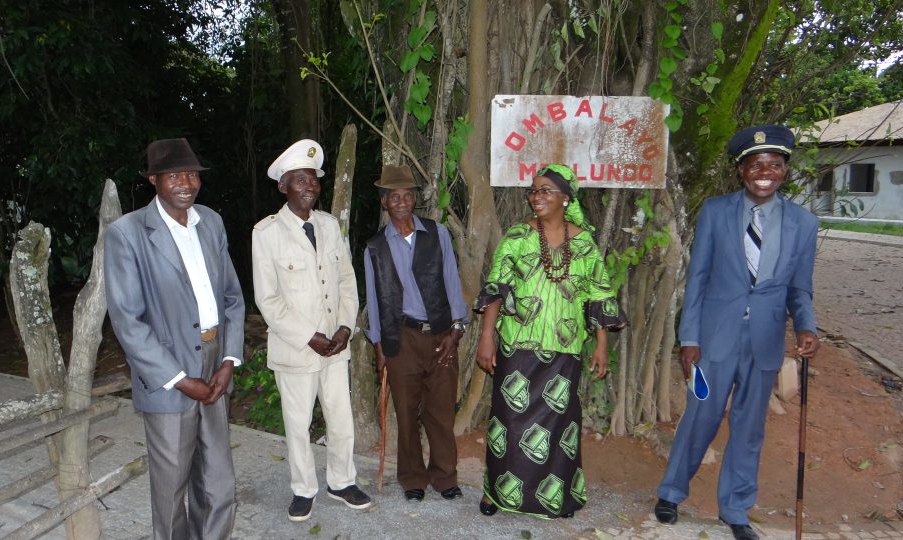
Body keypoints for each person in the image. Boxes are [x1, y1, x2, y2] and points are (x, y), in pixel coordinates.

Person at [653, 125, 820, 540]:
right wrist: (689, 338)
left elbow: (800, 287)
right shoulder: (716, 211)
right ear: (741, 170)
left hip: (764, 343)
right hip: (714, 340)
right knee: (700, 416)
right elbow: (698, 278)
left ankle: (735, 508)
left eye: (774, 165)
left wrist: (806, 326)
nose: (765, 172)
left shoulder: (804, 222)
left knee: (749, 428)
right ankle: (671, 492)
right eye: (755, 164)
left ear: (785, 171)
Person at [104, 138, 244, 539]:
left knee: (218, 481)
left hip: (216, 360)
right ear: (154, 180)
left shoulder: (211, 222)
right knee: (171, 490)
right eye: (174, 174)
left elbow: (233, 298)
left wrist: (230, 360)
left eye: (192, 173)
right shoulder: (127, 234)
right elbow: (128, 322)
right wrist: (182, 380)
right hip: (169, 369)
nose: (186, 181)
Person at [474, 164, 627, 519]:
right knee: (509, 423)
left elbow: (597, 294)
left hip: (566, 349)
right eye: (533, 191)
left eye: (545, 191)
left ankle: (556, 497)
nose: (535, 197)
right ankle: (496, 493)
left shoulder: (584, 241)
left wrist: (601, 344)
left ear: (565, 197)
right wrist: (487, 338)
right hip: (518, 344)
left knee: (558, 428)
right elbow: (497, 289)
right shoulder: (517, 236)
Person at [251, 139, 372, 522]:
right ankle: (303, 488)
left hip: (335, 347)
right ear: (283, 185)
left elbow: (347, 280)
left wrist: (344, 327)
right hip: (296, 349)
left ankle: (341, 481)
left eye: (314, 180)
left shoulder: (329, 225)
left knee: (341, 419)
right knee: (298, 425)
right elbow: (267, 299)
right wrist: (310, 336)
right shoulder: (266, 233)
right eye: (300, 179)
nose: (310, 186)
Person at [363, 165, 468, 503]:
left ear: (414, 200)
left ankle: (445, 476)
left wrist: (456, 327)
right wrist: (378, 343)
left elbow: (452, 279)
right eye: (394, 197)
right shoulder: (375, 247)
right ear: (385, 204)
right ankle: (412, 479)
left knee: (440, 410)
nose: (402, 202)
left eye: (408, 196)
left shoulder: (436, 234)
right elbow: (375, 298)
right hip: (401, 338)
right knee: (407, 413)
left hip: (440, 334)